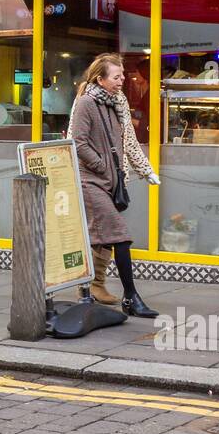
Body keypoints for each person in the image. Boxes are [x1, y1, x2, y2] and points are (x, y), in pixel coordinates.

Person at [69, 53, 161, 317]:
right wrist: (101, 165)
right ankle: (130, 297)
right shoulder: (86, 102)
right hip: (90, 180)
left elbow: (128, 141)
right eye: (117, 76)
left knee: (101, 237)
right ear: (100, 78)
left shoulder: (116, 102)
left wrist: (145, 171)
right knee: (119, 234)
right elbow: (76, 141)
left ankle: (92, 288)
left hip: (111, 181)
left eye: (123, 75)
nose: (123, 80)